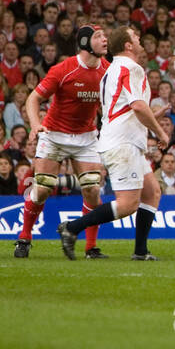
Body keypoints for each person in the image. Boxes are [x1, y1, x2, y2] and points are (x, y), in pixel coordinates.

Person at [58, 26, 169, 260]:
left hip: (122, 139)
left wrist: (152, 119)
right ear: (128, 45)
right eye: (136, 36)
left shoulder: (111, 70)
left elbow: (124, 109)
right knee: (128, 204)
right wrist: (160, 132)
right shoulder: (132, 68)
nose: (140, 38)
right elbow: (138, 106)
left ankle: (140, 251)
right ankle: (72, 228)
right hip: (123, 144)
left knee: (152, 192)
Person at [15, 24, 109, 258]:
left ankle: (91, 247)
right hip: (55, 134)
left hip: (87, 137)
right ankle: (25, 237)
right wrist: (36, 125)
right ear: (86, 43)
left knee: (92, 189)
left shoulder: (108, 71)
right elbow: (33, 98)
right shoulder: (64, 69)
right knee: (43, 188)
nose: (105, 40)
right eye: (99, 36)